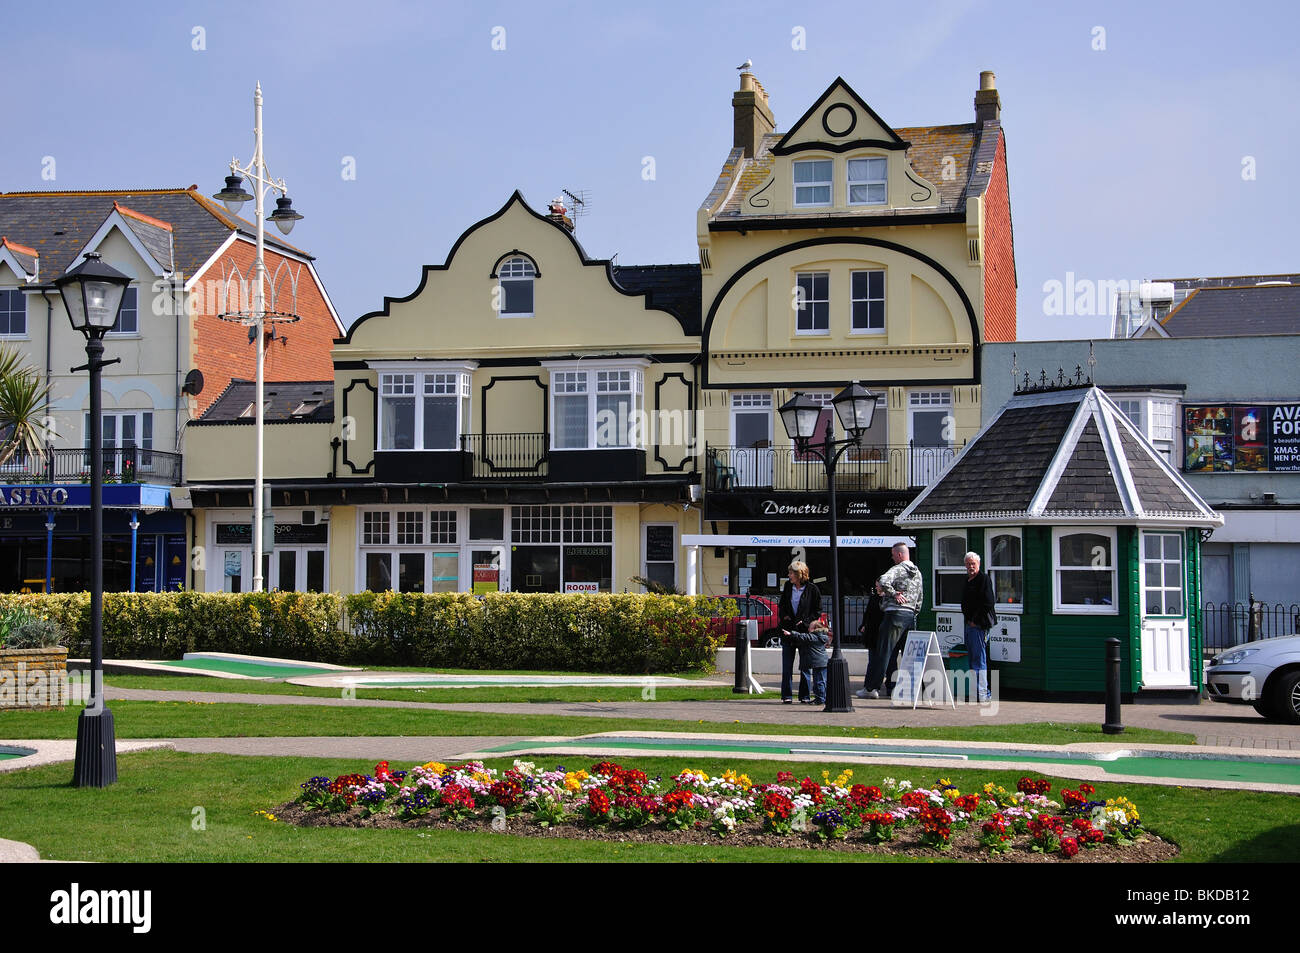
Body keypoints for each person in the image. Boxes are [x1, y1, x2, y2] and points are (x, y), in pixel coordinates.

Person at [857, 542, 923, 699]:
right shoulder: (918, 573)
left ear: (900, 555)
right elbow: (920, 597)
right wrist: (914, 611)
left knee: (883, 651)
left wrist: (894, 594)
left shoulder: (898, 568)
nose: (892, 558)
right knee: (907, 654)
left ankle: (871, 688)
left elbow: (883, 581)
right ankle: (910, 688)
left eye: (893, 555)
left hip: (894, 614)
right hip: (910, 615)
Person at [777, 560, 821, 704]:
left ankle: (804, 696)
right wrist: (785, 616)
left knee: (805, 667)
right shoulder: (788, 587)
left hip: (804, 633)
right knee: (787, 666)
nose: (789, 575)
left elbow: (817, 610)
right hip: (788, 630)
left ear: (799, 574)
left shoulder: (812, 589)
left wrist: (806, 622)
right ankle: (787, 695)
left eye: (791, 573)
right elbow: (782, 605)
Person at [961, 551, 997, 702]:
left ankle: (983, 693)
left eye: (973, 564)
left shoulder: (984, 579)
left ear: (979, 564)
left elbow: (989, 602)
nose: (971, 566)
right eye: (968, 564)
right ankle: (975, 692)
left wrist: (975, 620)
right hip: (968, 625)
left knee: (979, 660)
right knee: (971, 660)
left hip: (979, 626)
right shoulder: (967, 580)